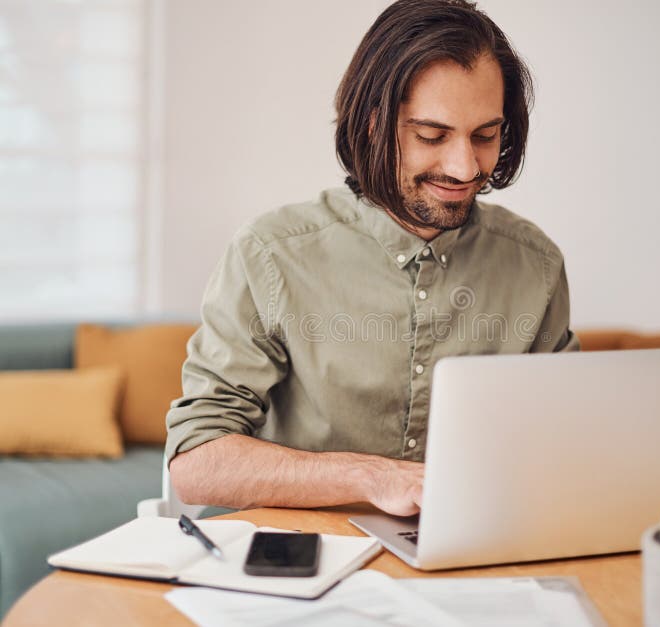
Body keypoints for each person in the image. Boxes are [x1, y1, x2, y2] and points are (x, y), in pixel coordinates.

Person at [166, 0, 579, 517]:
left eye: (485, 136)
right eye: (432, 136)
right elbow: (196, 461)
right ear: (370, 124)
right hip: (303, 569)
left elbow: (562, 440)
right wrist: (373, 477)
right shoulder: (271, 255)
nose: (464, 166)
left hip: (465, 565)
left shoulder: (535, 266)